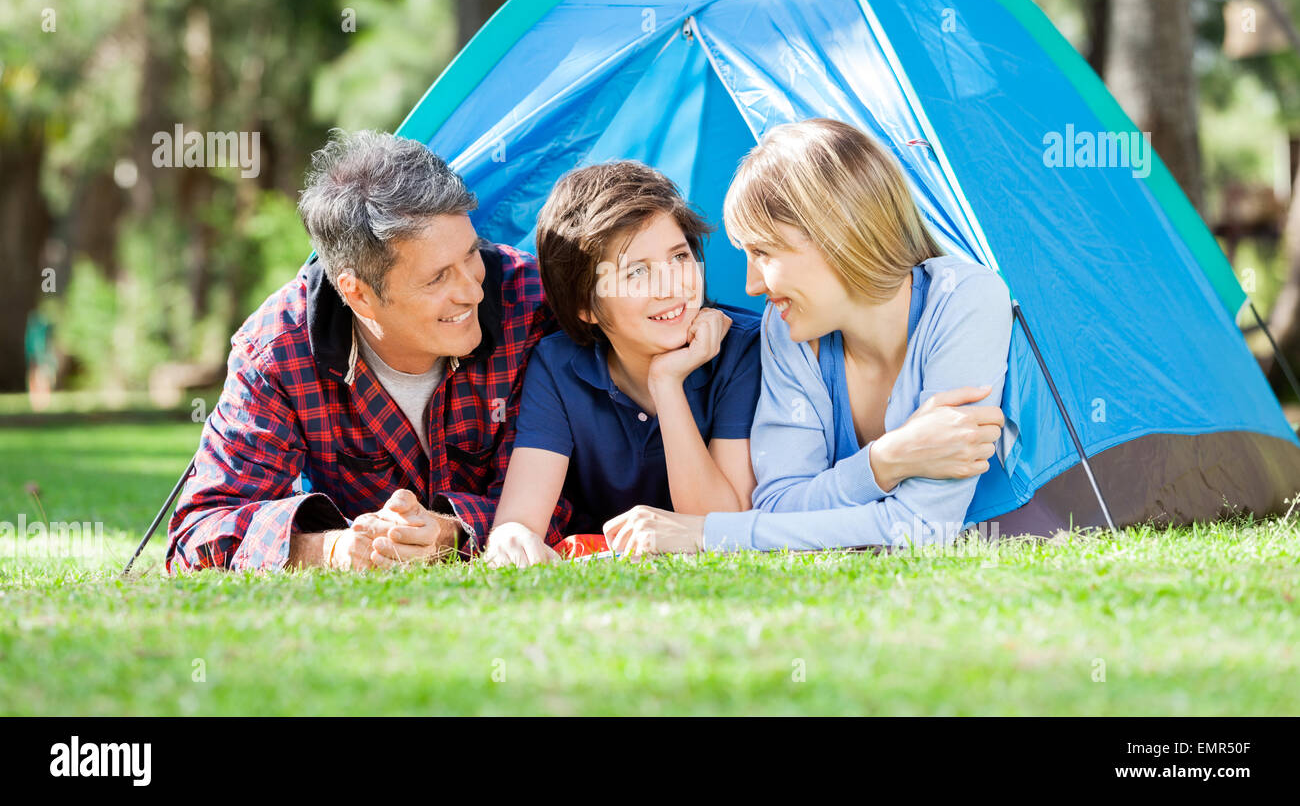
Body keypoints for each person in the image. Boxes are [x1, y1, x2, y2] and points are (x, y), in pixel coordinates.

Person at [602, 118, 1012, 556]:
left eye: (762, 252)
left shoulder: (965, 300)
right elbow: (778, 503)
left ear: (838, 234)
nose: (751, 286)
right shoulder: (788, 329)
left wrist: (708, 534)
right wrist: (885, 460)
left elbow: (920, 528)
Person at [165, 129, 570, 572]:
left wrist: (451, 533)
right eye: (437, 278)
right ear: (357, 294)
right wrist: (333, 550)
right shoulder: (275, 352)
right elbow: (198, 534)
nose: (473, 290)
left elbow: (590, 491)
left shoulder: (536, 307)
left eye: (472, 254)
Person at [483, 162, 762, 567]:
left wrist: (667, 383)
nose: (672, 286)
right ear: (585, 307)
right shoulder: (558, 365)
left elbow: (720, 523)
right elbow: (521, 522)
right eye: (636, 272)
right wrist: (510, 535)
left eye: (679, 256)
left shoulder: (740, 349)